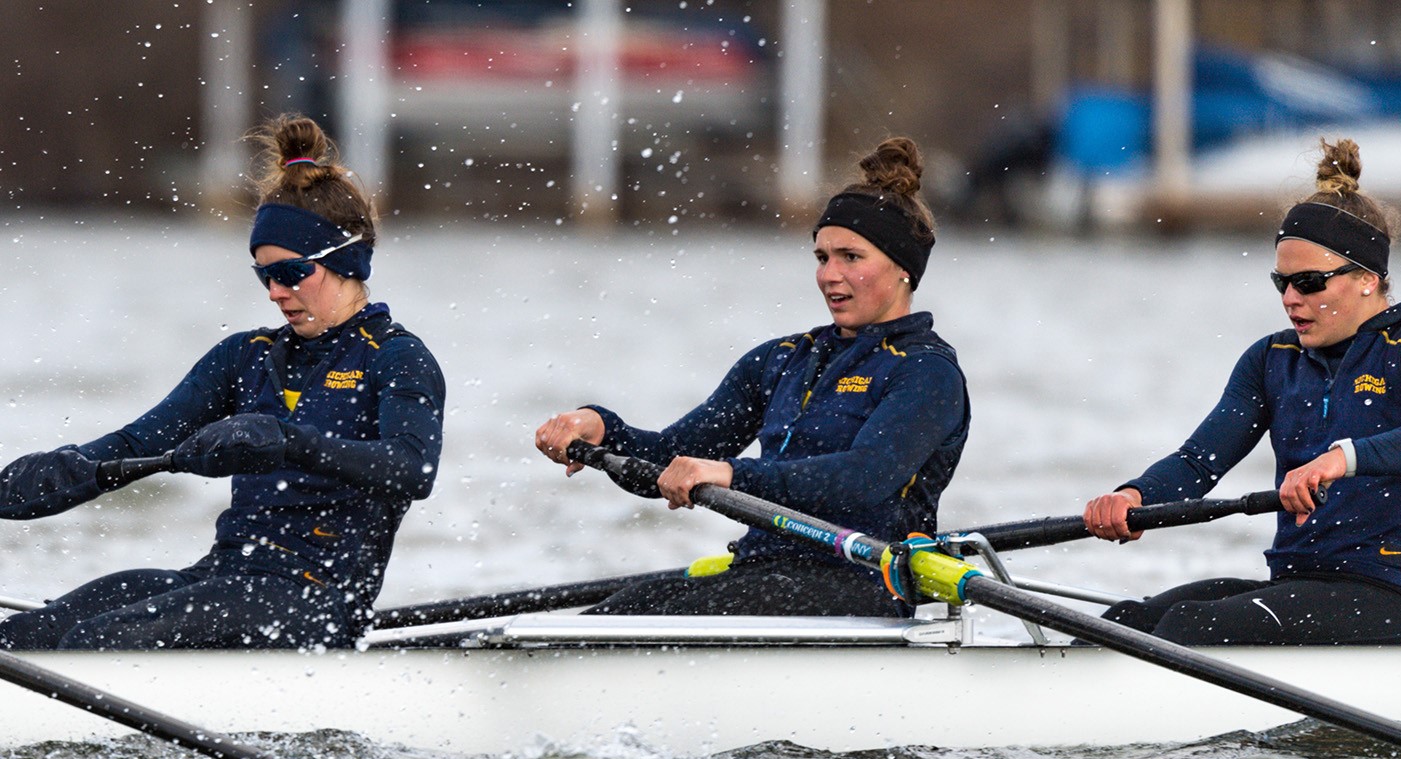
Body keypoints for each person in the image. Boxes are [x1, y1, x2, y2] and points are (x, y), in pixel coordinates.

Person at [0, 114, 445, 651]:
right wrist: (66, 472)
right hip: (225, 577)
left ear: (347, 261)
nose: (275, 293)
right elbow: (137, 445)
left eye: (290, 273)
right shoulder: (244, 357)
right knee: (28, 635)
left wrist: (290, 442)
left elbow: (413, 468)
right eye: (264, 275)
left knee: (99, 640)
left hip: (315, 599)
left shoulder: (397, 359)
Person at [534, 137, 970, 618]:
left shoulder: (926, 372)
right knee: (624, 609)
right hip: (761, 571)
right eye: (822, 258)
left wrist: (732, 474)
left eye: (851, 257)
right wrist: (603, 429)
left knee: (653, 619)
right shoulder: (780, 361)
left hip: (859, 584)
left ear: (903, 268)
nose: (830, 275)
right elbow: (671, 460)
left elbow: (864, 477)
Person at [1081, 138, 1401, 646]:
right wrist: (1135, 496)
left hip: (1394, 600)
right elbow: (1197, 463)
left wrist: (1342, 459)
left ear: (1366, 278)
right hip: (1297, 589)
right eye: (1282, 282)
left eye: (1310, 282)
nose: (1291, 299)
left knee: (1189, 627)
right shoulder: (1273, 359)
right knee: (1123, 624)